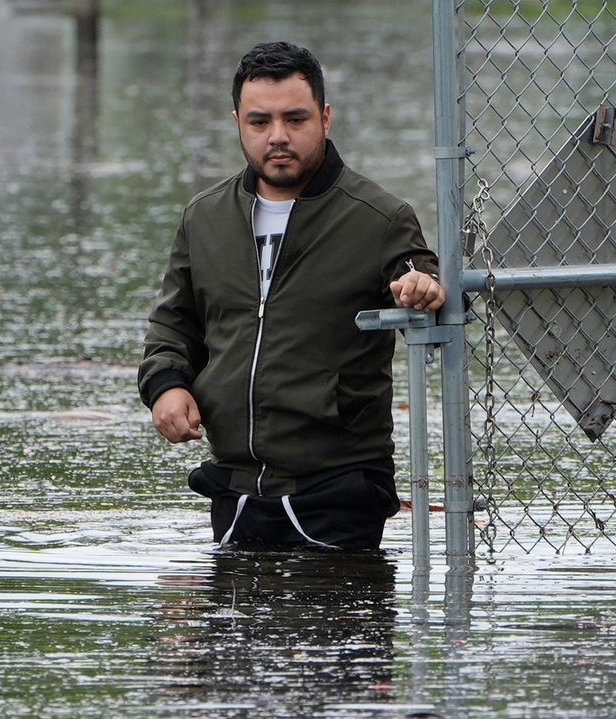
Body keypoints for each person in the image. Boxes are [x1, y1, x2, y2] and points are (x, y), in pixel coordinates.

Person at [137, 41, 445, 551]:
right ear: (237, 120)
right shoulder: (204, 216)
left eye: (295, 119)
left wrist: (419, 285)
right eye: (260, 122)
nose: (278, 136)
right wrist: (165, 386)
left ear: (325, 117)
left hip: (340, 489)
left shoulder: (379, 216)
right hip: (234, 488)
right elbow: (174, 323)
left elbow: (415, 268)